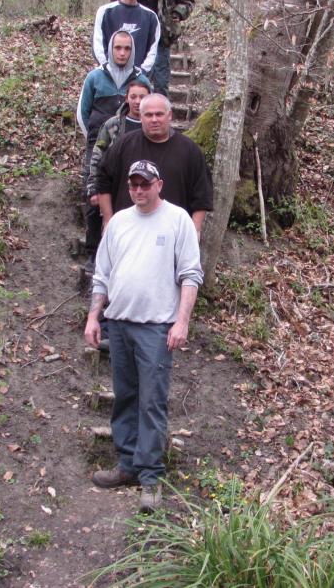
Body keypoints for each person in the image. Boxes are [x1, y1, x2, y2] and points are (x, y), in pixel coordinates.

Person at [84, 160, 203, 513]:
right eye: (133, 184)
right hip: (119, 323)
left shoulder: (177, 220)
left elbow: (190, 274)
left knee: (151, 401)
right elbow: (102, 275)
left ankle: (150, 477)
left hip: (156, 327)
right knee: (125, 396)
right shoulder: (119, 223)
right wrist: (93, 317)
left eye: (145, 184)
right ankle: (127, 465)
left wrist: (182, 322)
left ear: (158, 185)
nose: (138, 189)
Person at [95, 94, 212, 236]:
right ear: (141, 117)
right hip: (127, 232)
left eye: (159, 114)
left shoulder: (189, 150)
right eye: (149, 115)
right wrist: (108, 220)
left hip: (171, 234)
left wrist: (194, 230)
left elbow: (202, 195)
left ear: (169, 115)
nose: (154, 119)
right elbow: (103, 181)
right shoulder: (124, 145)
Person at [82, 79, 151, 280]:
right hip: (112, 182)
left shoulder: (152, 126)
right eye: (133, 96)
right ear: (126, 98)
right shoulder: (113, 125)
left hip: (141, 184)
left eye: (142, 97)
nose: (137, 101)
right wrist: (93, 186)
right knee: (97, 213)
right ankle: (94, 256)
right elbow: (98, 154)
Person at [93, 0, 160, 75]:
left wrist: (140, 73)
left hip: (137, 80)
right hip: (108, 76)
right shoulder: (105, 12)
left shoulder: (151, 17)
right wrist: (109, 69)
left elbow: (153, 51)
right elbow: (98, 45)